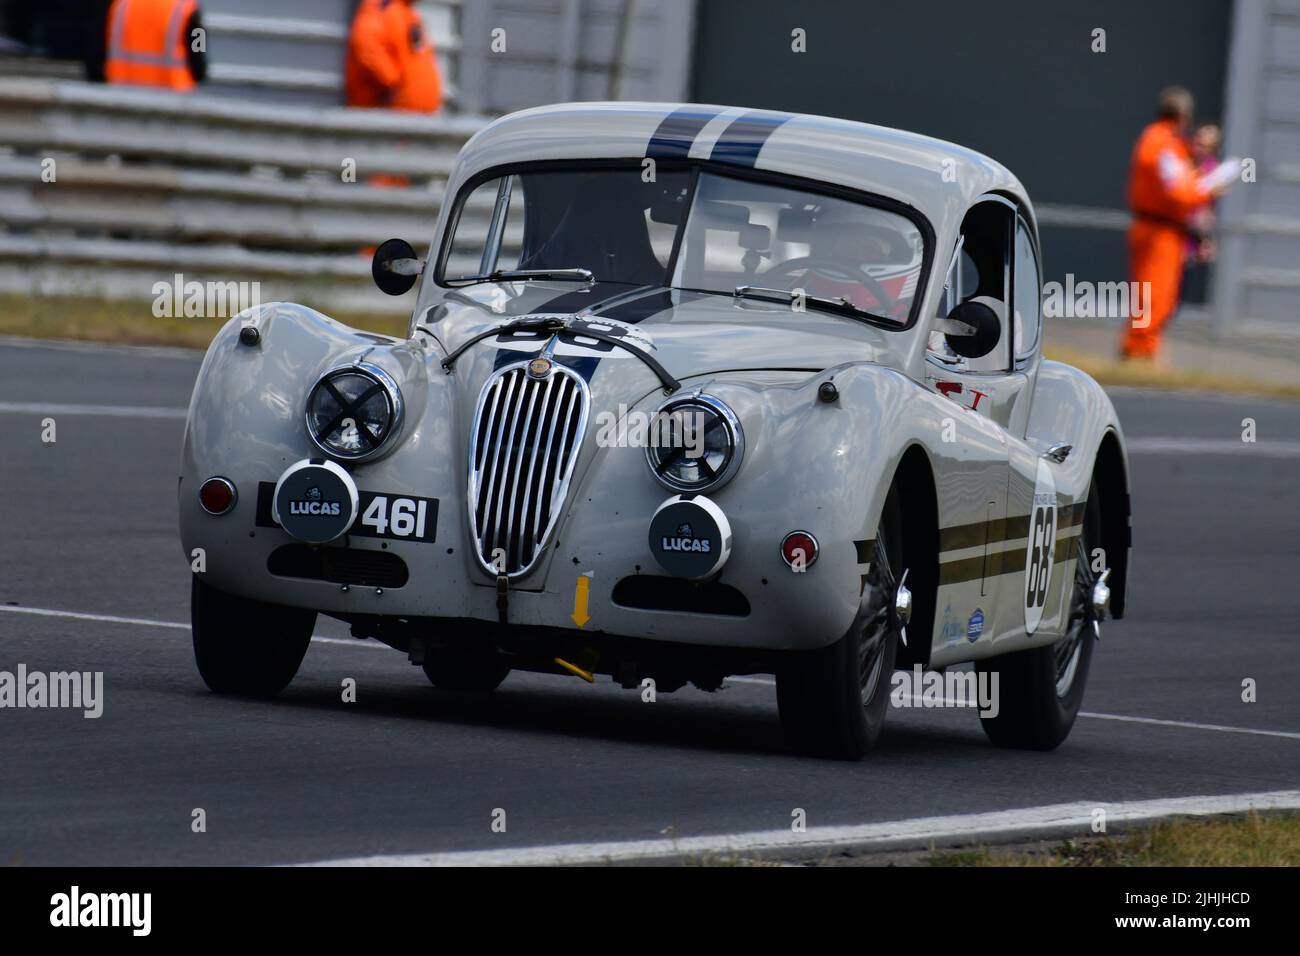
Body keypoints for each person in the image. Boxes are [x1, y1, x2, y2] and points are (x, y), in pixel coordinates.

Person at [1120, 87, 1231, 361]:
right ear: (1183, 115)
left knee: (1156, 294)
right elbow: (1180, 192)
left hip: (1157, 227)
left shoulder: (1155, 139)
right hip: (1160, 230)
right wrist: (1210, 186)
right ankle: (1139, 351)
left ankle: (1142, 348)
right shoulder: (1164, 144)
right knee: (1156, 295)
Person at [345, 0, 443, 113]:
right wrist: (392, 82)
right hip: (386, 116)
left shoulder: (405, 11)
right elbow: (366, 43)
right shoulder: (381, 6)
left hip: (411, 118)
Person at [102, 0, 206, 91]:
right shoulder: (189, 8)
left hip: (122, 99)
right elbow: (200, 68)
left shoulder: (120, 4)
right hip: (173, 102)